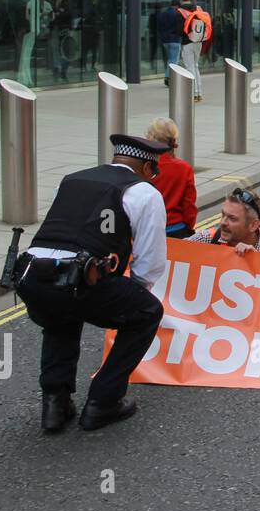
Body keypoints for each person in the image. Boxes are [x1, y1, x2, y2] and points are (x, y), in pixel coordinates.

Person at [14, 134, 168, 432]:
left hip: (30, 275)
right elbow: (150, 261)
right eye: (156, 171)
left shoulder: (73, 179)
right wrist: (133, 292)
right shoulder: (144, 193)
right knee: (147, 313)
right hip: (81, 277)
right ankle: (103, 402)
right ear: (148, 168)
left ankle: (55, 406)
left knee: (61, 316)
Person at [188, 188, 260, 255]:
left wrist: (258, 260)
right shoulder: (207, 238)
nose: (223, 222)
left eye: (232, 218)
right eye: (223, 215)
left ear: (253, 225)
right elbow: (174, 253)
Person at [146, 118, 197, 239]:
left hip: (150, 230)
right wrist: (189, 227)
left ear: (151, 138)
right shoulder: (184, 168)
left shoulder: (145, 167)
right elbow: (189, 205)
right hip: (177, 231)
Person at [177, 0, 212, 101]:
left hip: (187, 42)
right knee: (195, 66)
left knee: (189, 67)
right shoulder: (198, 8)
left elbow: (179, 29)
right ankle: (199, 92)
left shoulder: (179, 11)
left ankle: (193, 93)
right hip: (199, 41)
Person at [157, 0, 183, 86]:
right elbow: (179, 27)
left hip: (165, 40)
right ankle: (169, 78)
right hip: (175, 39)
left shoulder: (162, 14)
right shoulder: (177, 14)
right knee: (174, 60)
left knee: (170, 59)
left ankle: (168, 77)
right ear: (177, 6)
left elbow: (160, 27)